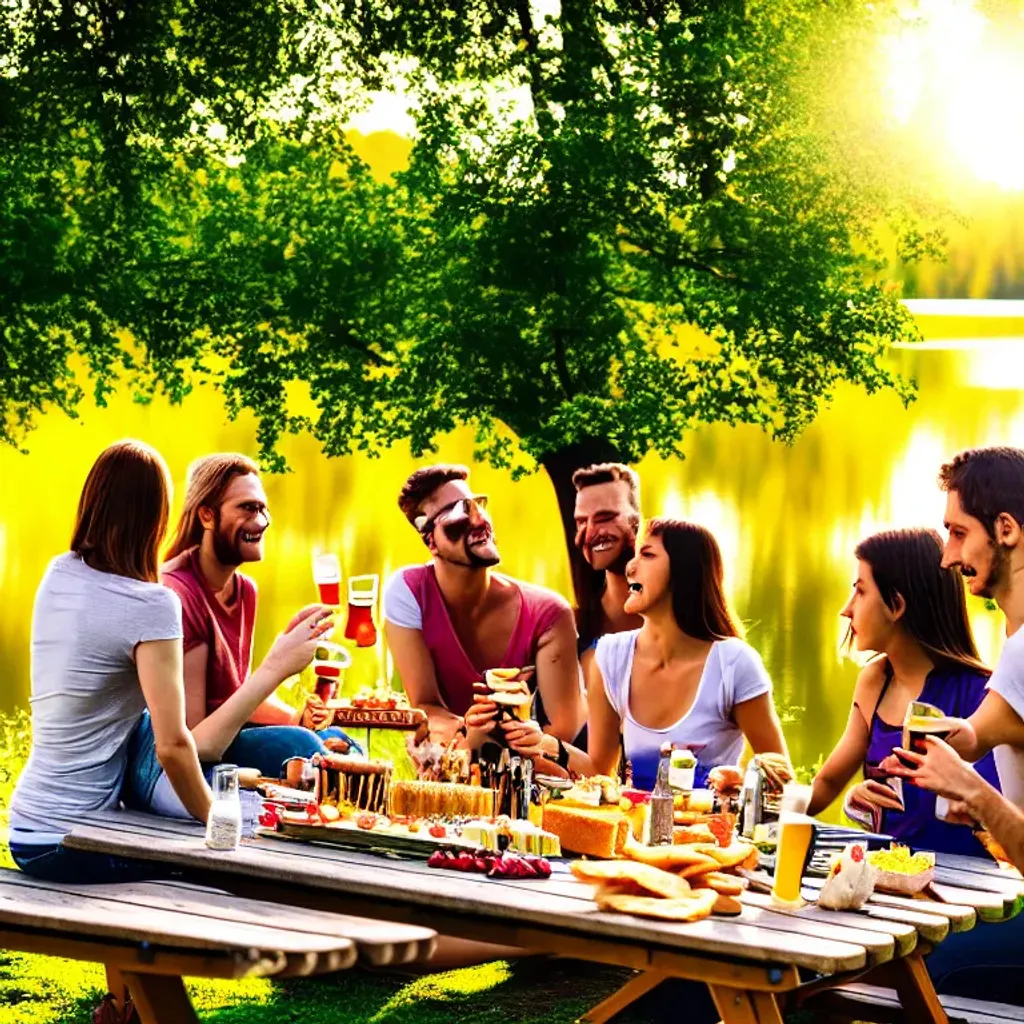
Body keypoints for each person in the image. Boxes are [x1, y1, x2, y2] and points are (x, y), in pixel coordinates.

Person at [8, 441, 212, 881]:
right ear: (156, 518)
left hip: (26, 826)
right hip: (68, 841)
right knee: (206, 873)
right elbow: (173, 744)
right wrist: (216, 822)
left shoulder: (58, 572)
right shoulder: (154, 605)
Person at [123, 453, 350, 816]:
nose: (261, 521)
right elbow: (195, 742)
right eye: (247, 508)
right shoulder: (178, 596)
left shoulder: (243, 589)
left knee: (341, 747)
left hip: (222, 742)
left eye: (263, 509)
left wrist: (295, 715)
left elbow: (232, 694)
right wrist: (277, 666)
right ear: (207, 515)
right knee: (304, 748)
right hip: (171, 768)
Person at [501, 518, 788, 788]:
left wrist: (739, 779)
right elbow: (600, 771)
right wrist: (546, 744)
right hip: (634, 834)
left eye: (647, 555)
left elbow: (779, 776)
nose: (630, 567)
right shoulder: (611, 656)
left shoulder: (734, 664)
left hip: (709, 835)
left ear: (684, 571)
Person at [807, 528, 999, 856]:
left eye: (860, 592)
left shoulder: (982, 695)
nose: (847, 609)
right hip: (891, 883)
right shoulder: (875, 681)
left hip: (965, 891)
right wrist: (851, 803)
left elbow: (997, 817)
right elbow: (826, 784)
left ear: (896, 605)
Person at [383, 464, 585, 747]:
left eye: (478, 505)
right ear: (431, 541)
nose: (479, 520)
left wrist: (500, 741)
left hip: (533, 772)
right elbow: (425, 707)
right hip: (452, 765)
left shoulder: (548, 614)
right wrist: (470, 734)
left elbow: (563, 732)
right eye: (458, 512)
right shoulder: (409, 592)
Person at [571, 463, 644, 653]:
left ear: (636, 521)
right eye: (582, 522)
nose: (591, 533)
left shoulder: (682, 615)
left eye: (605, 518)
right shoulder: (571, 628)